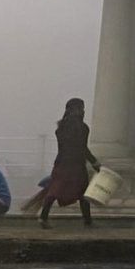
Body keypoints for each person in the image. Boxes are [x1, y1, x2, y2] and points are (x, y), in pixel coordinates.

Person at [39, 98, 100, 229]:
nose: (83, 111)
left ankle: (43, 217)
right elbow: (83, 148)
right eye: (81, 108)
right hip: (76, 164)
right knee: (83, 192)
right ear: (75, 110)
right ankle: (88, 221)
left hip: (61, 163)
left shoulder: (60, 128)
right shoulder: (83, 128)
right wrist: (94, 162)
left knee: (54, 190)